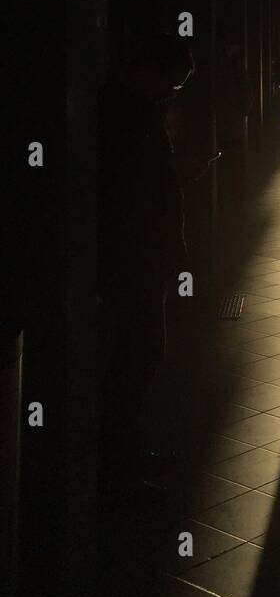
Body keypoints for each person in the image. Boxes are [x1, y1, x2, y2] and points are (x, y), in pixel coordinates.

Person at [96, 33, 195, 504]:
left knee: (139, 355)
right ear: (148, 70)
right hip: (132, 259)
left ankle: (125, 455)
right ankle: (119, 463)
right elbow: (137, 193)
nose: (170, 94)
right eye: (170, 85)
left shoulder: (129, 109)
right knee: (137, 356)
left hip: (140, 257)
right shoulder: (125, 117)